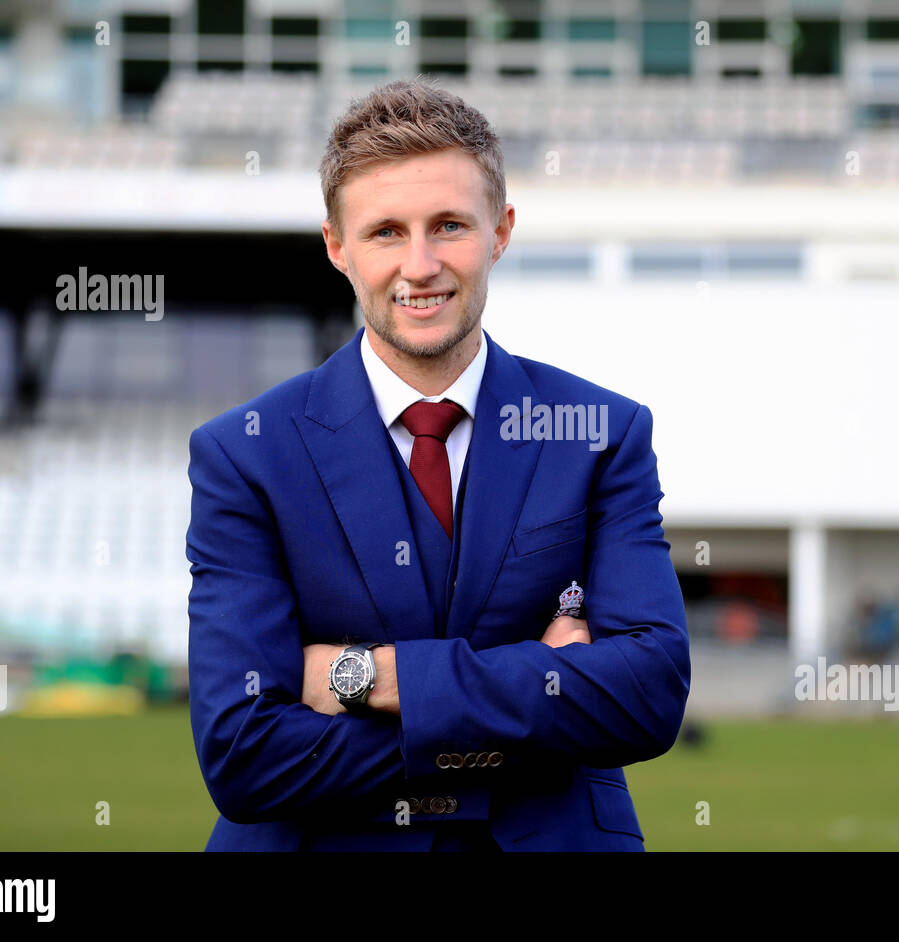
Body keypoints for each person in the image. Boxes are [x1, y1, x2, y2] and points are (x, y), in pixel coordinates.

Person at [185, 79, 690, 851]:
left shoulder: (601, 433)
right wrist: (533, 695)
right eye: (386, 232)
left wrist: (366, 679)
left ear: (501, 231)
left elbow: (648, 695)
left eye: (448, 225)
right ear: (336, 246)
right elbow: (244, 756)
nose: (419, 266)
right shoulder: (244, 453)